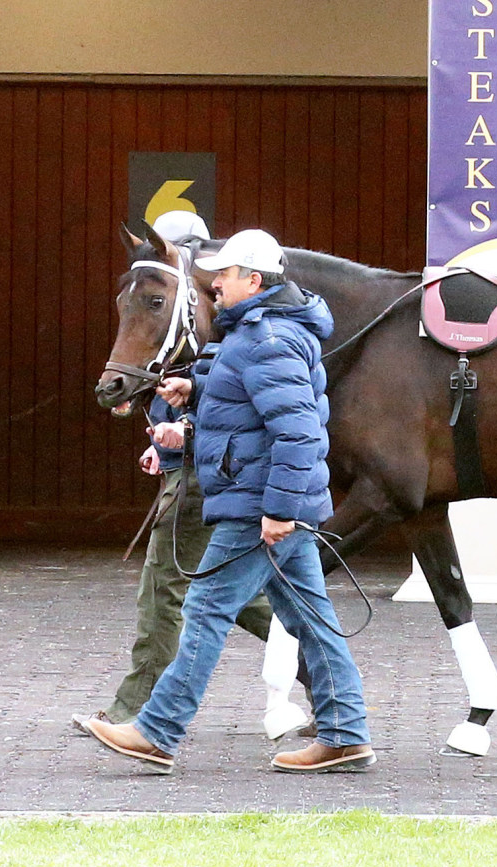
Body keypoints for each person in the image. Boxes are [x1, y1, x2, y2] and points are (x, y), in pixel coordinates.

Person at [84, 228, 373, 774]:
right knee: (312, 621)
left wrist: (280, 511)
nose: (215, 283)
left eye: (226, 274)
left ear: (254, 281)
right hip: (270, 498)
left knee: (206, 608)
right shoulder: (259, 333)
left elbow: (297, 432)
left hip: (259, 503)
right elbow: (251, 405)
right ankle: (345, 733)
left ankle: (157, 730)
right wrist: (193, 392)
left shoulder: (265, 340)